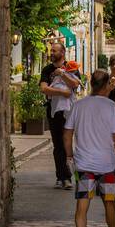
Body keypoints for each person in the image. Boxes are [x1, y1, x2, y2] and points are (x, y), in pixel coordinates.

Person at [63, 69, 115, 227]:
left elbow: (67, 134)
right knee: (109, 202)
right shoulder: (112, 107)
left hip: (84, 164)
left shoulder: (78, 106)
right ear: (107, 85)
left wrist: (69, 156)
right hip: (106, 164)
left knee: (82, 205)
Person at [39, 39, 81, 188]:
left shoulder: (71, 67)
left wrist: (62, 75)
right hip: (53, 110)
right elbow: (44, 88)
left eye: (54, 51)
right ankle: (63, 177)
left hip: (69, 110)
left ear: (62, 53)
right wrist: (62, 92)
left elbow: (76, 85)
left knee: (66, 142)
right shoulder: (47, 70)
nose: (51, 53)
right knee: (58, 144)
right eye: (51, 51)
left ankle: (64, 177)